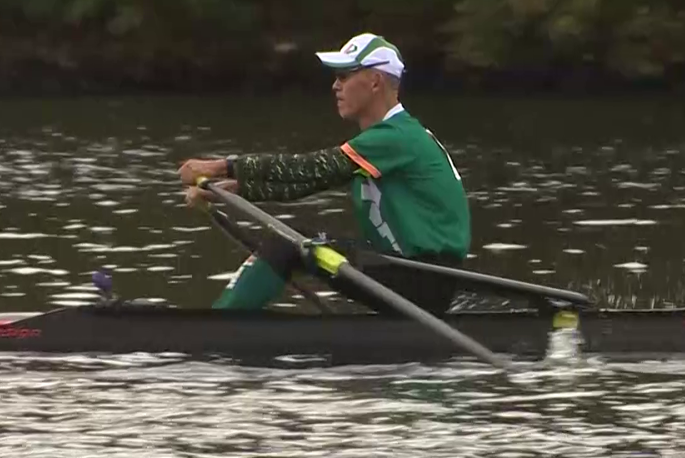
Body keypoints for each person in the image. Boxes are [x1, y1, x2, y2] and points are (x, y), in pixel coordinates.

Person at [179, 32, 470, 316]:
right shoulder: (390, 138)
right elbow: (306, 183)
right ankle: (224, 323)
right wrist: (233, 190)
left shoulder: (397, 137)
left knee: (290, 242)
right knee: (298, 240)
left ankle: (220, 324)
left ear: (375, 82)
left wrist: (218, 166)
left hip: (423, 279)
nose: (335, 86)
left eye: (344, 76)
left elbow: (308, 167)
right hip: (411, 275)